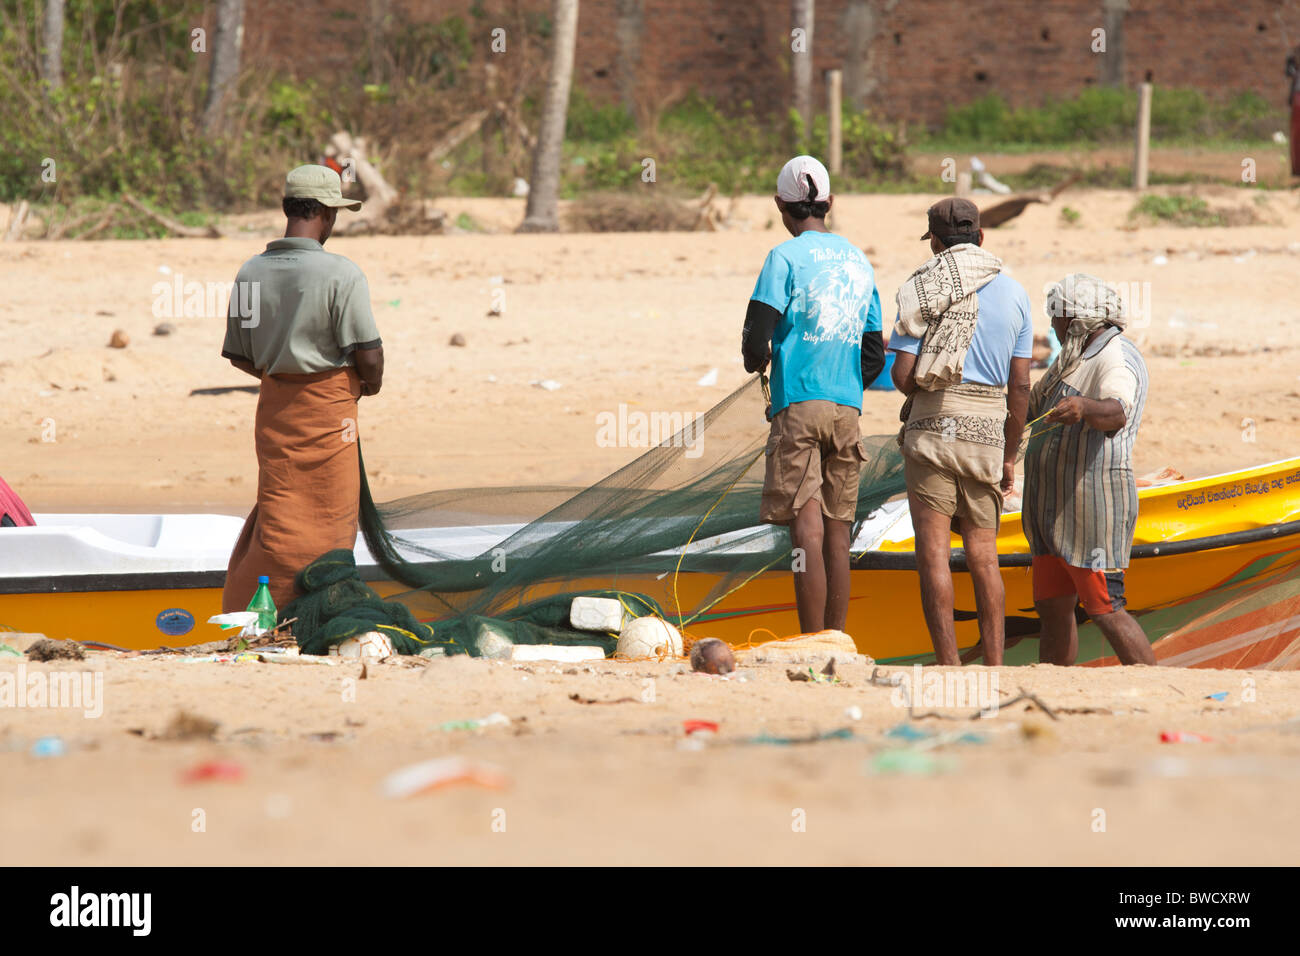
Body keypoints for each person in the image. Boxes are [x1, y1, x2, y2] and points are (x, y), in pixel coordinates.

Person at [220, 165, 384, 612]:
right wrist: (366, 386)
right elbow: (368, 354)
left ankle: (260, 606)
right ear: (328, 214)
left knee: (279, 513)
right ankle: (313, 609)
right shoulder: (341, 273)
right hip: (328, 414)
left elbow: (239, 355)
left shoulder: (251, 271)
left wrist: (283, 377)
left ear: (287, 209)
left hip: (275, 412)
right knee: (330, 519)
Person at [741, 155, 884, 634]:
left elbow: (754, 338)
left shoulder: (783, 258)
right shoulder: (860, 261)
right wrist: (843, 384)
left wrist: (760, 361)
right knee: (838, 530)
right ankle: (837, 637)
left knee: (806, 528)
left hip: (799, 405)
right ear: (829, 203)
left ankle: (811, 638)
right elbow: (873, 355)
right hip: (847, 408)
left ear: (782, 205)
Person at [888, 198, 1032, 666]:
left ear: (934, 241)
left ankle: (949, 662)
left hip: (932, 430)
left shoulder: (923, 288)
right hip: (989, 435)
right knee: (983, 557)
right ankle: (993, 665)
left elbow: (903, 377)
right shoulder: (1014, 294)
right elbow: (1021, 385)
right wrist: (1009, 455)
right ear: (981, 238)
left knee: (932, 555)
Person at [1023, 274, 1154, 666]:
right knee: (1052, 607)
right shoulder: (1074, 358)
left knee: (1105, 606)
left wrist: (1084, 408)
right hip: (1052, 509)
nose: (1053, 327)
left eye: (1057, 319)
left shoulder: (1116, 357)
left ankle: (1151, 684)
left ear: (1076, 321)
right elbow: (1031, 408)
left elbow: (1116, 411)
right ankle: (1054, 685)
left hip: (1091, 508)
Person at [1288, 45, 1300, 177]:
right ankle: (1297, 169)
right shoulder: (1294, 68)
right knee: (1297, 135)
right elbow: (1288, 72)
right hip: (1298, 98)